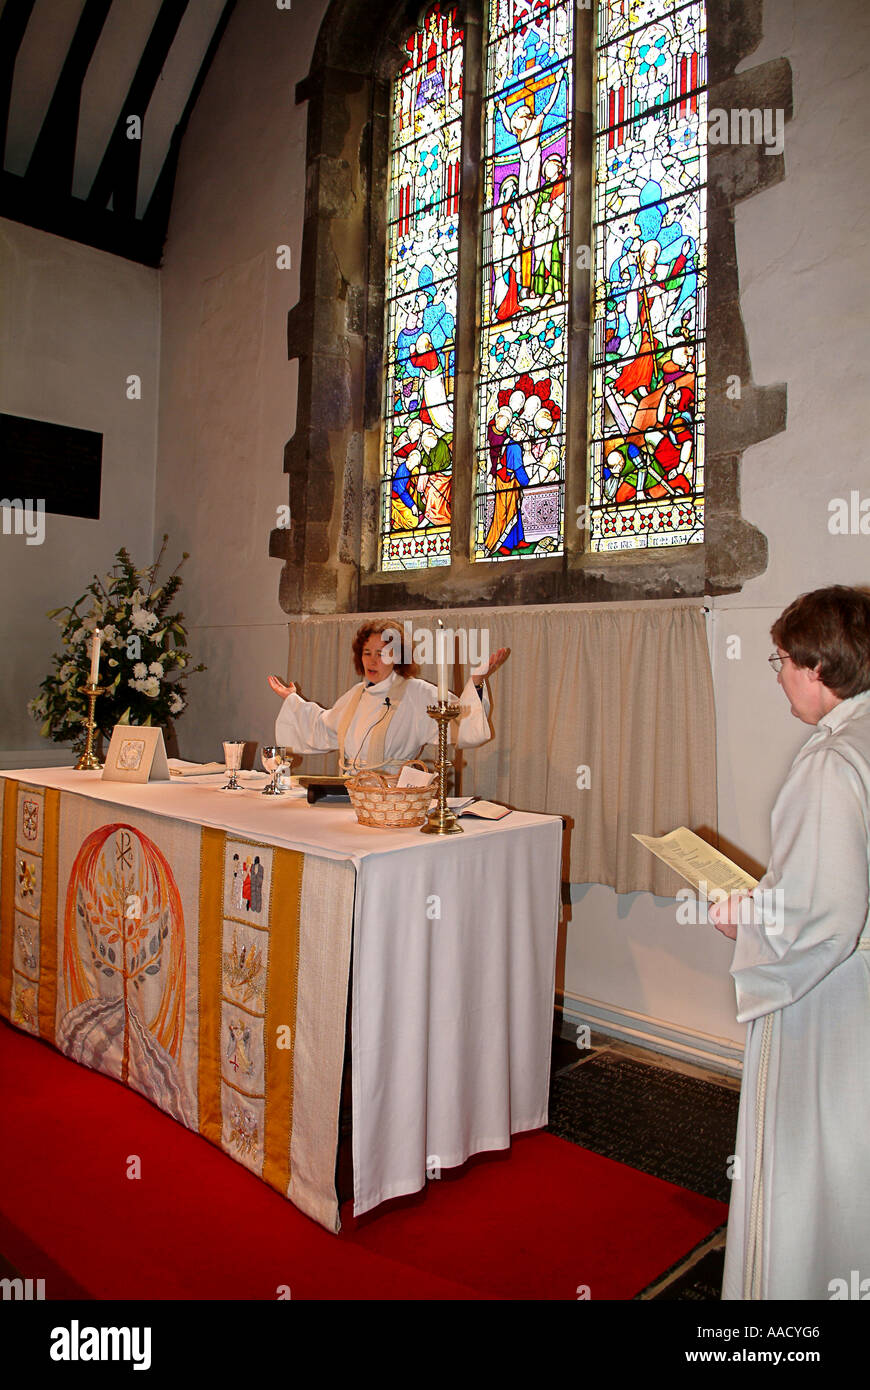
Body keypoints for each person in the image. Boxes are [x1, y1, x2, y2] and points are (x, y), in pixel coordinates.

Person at [708, 586, 870, 1300]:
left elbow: (823, 913)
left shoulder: (832, 762)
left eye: (780, 660)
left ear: (817, 666)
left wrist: (747, 917)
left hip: (833, 999)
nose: (776, 675)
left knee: (810, 1157)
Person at [268, 619, 510, 774]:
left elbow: (457, 720)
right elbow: (323, 727)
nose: (372, 661)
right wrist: (293, 700)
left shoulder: (417, 693)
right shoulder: (356, 695)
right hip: (351, 794)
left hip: (395, 797)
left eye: (382, 653)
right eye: (367, 653)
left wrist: (476, 682)